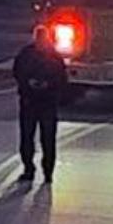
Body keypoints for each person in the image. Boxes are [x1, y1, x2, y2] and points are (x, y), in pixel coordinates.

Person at [12, 28, 69, 182]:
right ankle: (37, 170)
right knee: (38, 139)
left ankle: (39, 171)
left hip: (40, 102)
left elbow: (61, 79)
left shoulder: (30, 55)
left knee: (40, 138)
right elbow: (18, 73)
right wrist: (34, 84)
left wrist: (43, 84)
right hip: (37, 102)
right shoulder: (49, 56)